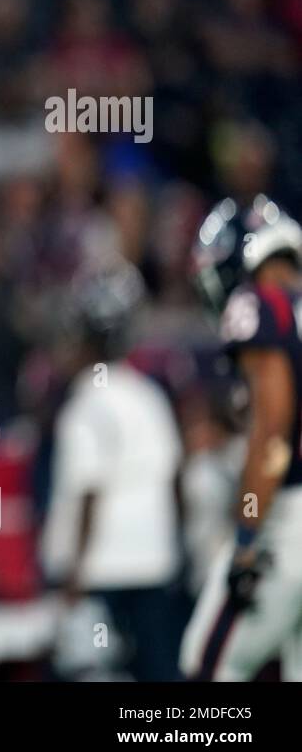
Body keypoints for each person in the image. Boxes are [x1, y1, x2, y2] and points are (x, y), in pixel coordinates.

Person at [39, 261, 186, 681]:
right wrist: (177, 550)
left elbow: (89, 493)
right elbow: (175, 483)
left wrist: (74, 575)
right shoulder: (150, 396)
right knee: (156, 674)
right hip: (155, 565)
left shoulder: (85, 402)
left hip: (100, 573)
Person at [181, 195, 302, 680]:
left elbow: (273, 435)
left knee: (209, 667)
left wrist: (248, 536)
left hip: (289, 517)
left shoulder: (261, 303)